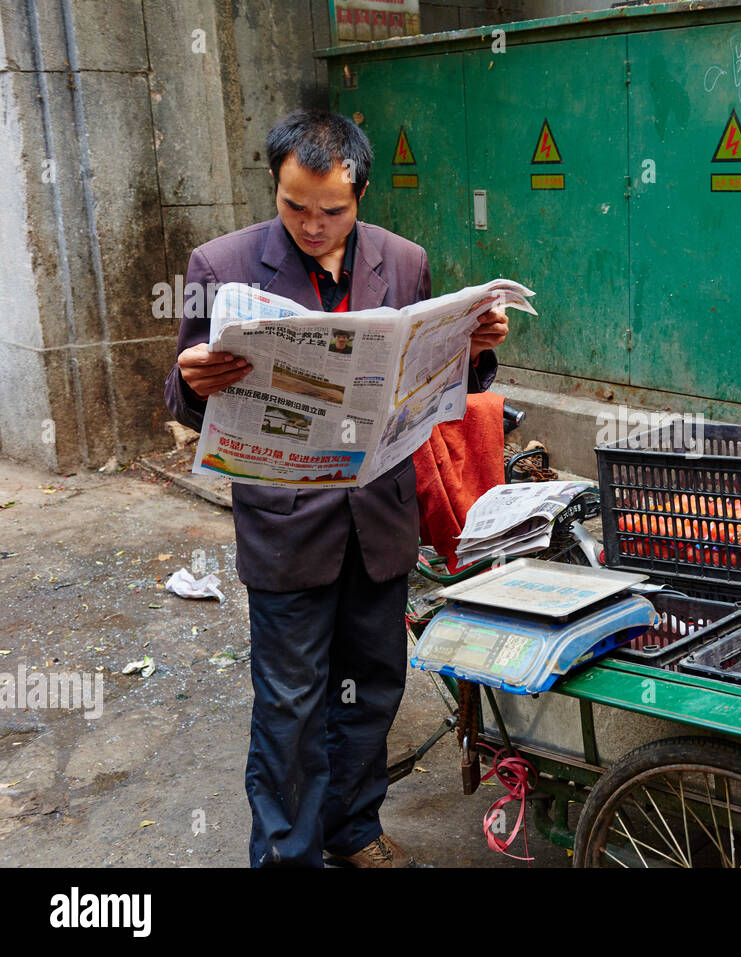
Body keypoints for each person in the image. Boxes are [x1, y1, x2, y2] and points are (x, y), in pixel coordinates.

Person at [163, 110, 510, 867]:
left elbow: (441, 379)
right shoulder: (220, 265)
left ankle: (353, 827)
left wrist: (476, 353)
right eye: (294, 207)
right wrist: (191, 382)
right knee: (290, 705)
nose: (312, 225)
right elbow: (183, 388)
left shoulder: (404, 261)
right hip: (287, 528)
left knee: (374, 687)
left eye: (333, 211)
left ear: (361, 197)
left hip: (379, 516)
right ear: (274, 186)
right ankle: (288, 854)